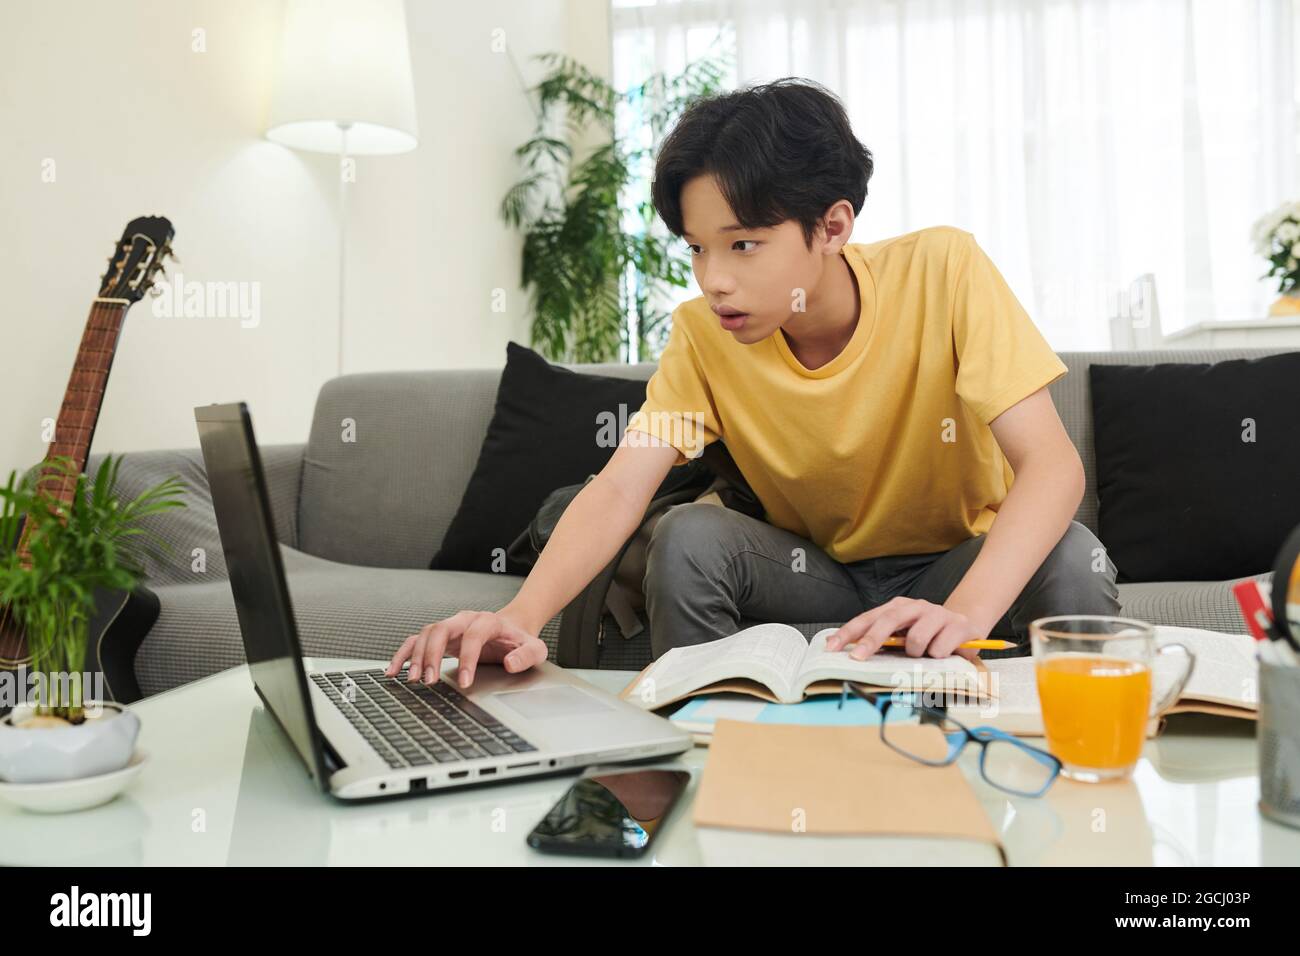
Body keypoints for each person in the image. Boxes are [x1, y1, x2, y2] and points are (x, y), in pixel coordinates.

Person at [387, 77, 1119, 690]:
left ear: (832, 227)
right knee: (688, 538)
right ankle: (709, 747)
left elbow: (1052, 468)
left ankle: (1063, 762)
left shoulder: (945, 271)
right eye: (698, 249)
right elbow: (618, 488)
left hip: (952, 556)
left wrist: (963, 613)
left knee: (1076, 557)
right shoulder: (704, 335)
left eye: (744, 245)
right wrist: (517, 618)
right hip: (812, 570)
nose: (715, 280)